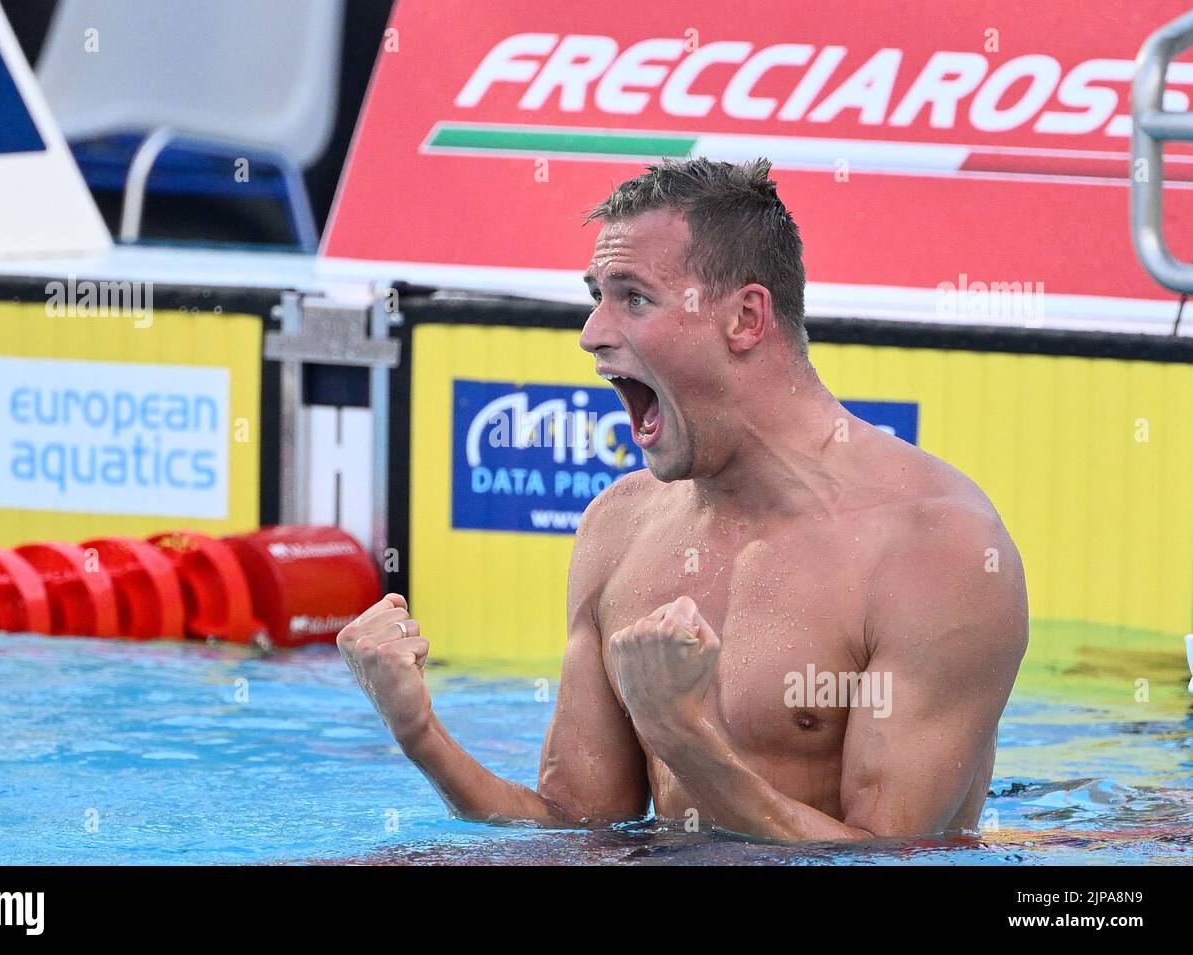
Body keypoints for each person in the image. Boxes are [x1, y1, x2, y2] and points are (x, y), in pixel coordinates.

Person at [338, 157, 1028, 841]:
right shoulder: (620, 526)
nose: (593, 332)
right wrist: (419, 730)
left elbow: (890, 858)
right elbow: (577, 828)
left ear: (745, 318)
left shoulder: (938, 547)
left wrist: (681, 733)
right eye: (595, 296)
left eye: (633, 298)